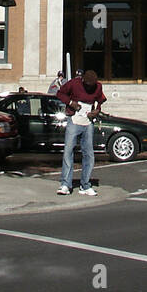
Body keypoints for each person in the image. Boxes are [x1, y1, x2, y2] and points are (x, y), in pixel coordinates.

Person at [55, 68, 106, 197]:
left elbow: (100, 101)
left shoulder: (98, 87)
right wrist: (71, 103)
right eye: (87, 85)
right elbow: (60, 93)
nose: (89, 88)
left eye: (92, 86)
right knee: (68, 151)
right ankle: (66, 184)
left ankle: (85, 185)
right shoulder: (74, 83)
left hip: (88, 122)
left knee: (88, 154)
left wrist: (96, 111)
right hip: (74, 120)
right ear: (82, 80)